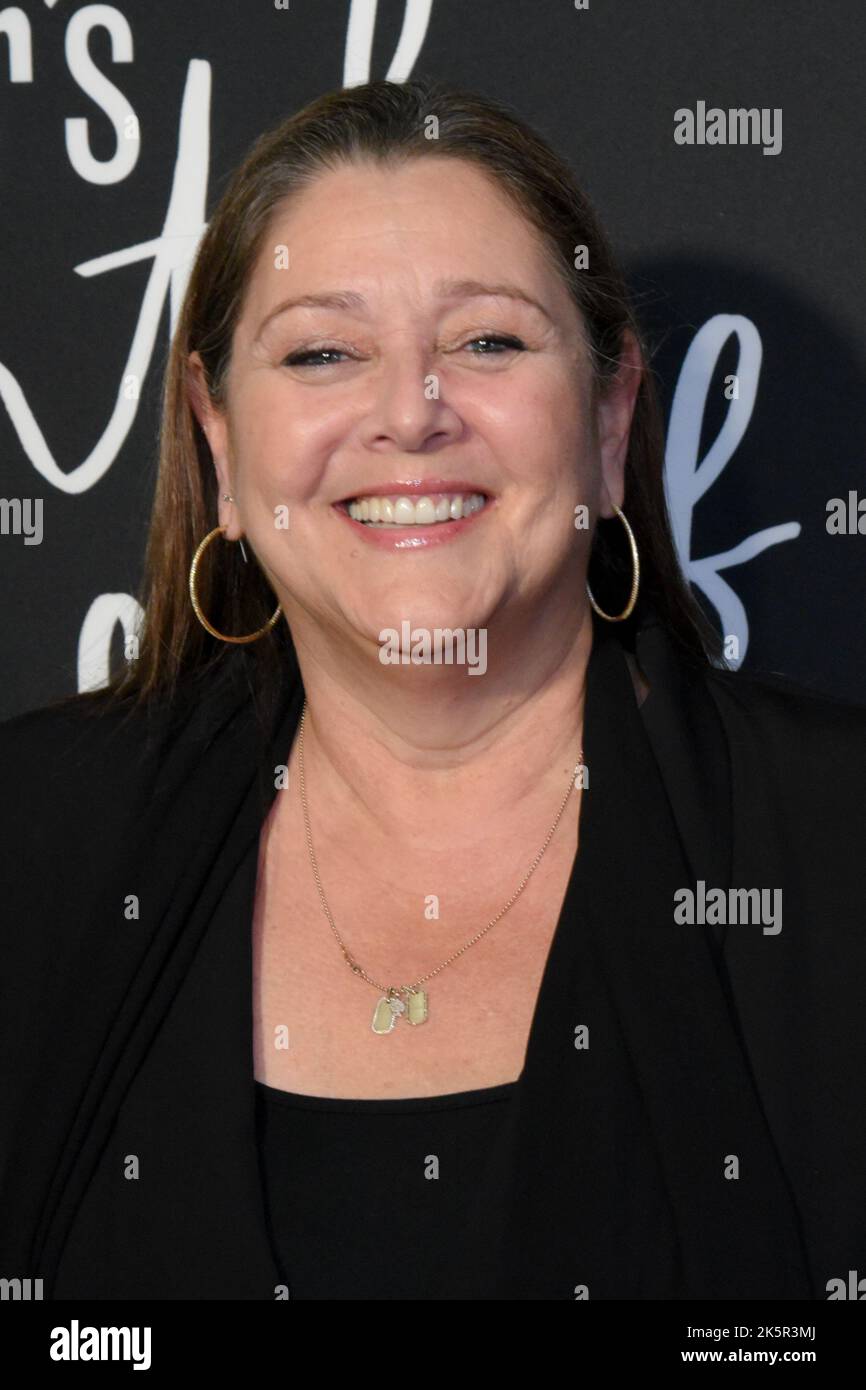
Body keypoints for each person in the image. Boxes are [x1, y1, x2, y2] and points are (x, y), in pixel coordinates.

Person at [1, 77, 865, 1302]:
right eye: (321, 352)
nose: (409, 415)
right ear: (220, 444)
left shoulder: (837, 845)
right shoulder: (30, 848)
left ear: (609, 421)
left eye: (488, 342)